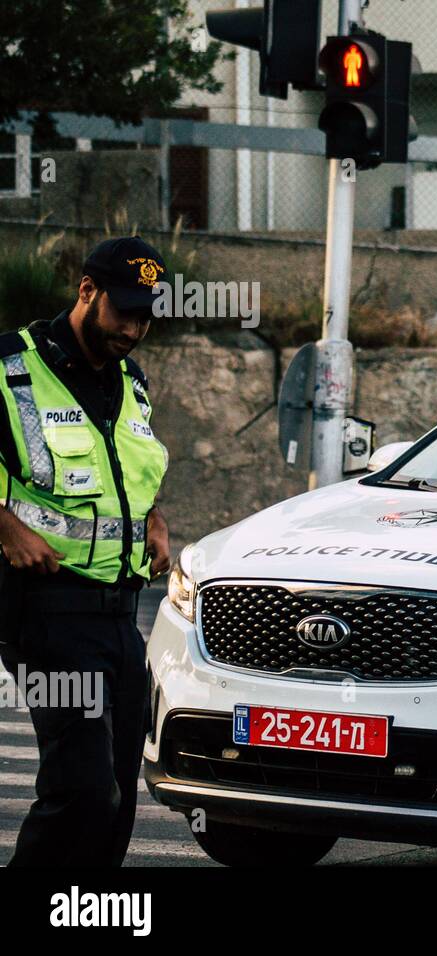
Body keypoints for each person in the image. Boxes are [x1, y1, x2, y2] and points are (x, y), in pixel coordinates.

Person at [0, 236, 171, 866]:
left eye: (146, 315)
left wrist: (154, 518)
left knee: (118, 797)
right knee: (83, 788)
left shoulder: (130, 380)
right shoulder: (10, 367)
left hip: (120, 615)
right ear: (86, 291)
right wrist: (4, 526)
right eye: (124, 311)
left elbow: (131, 469)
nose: (135, 327)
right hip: (44, 612)